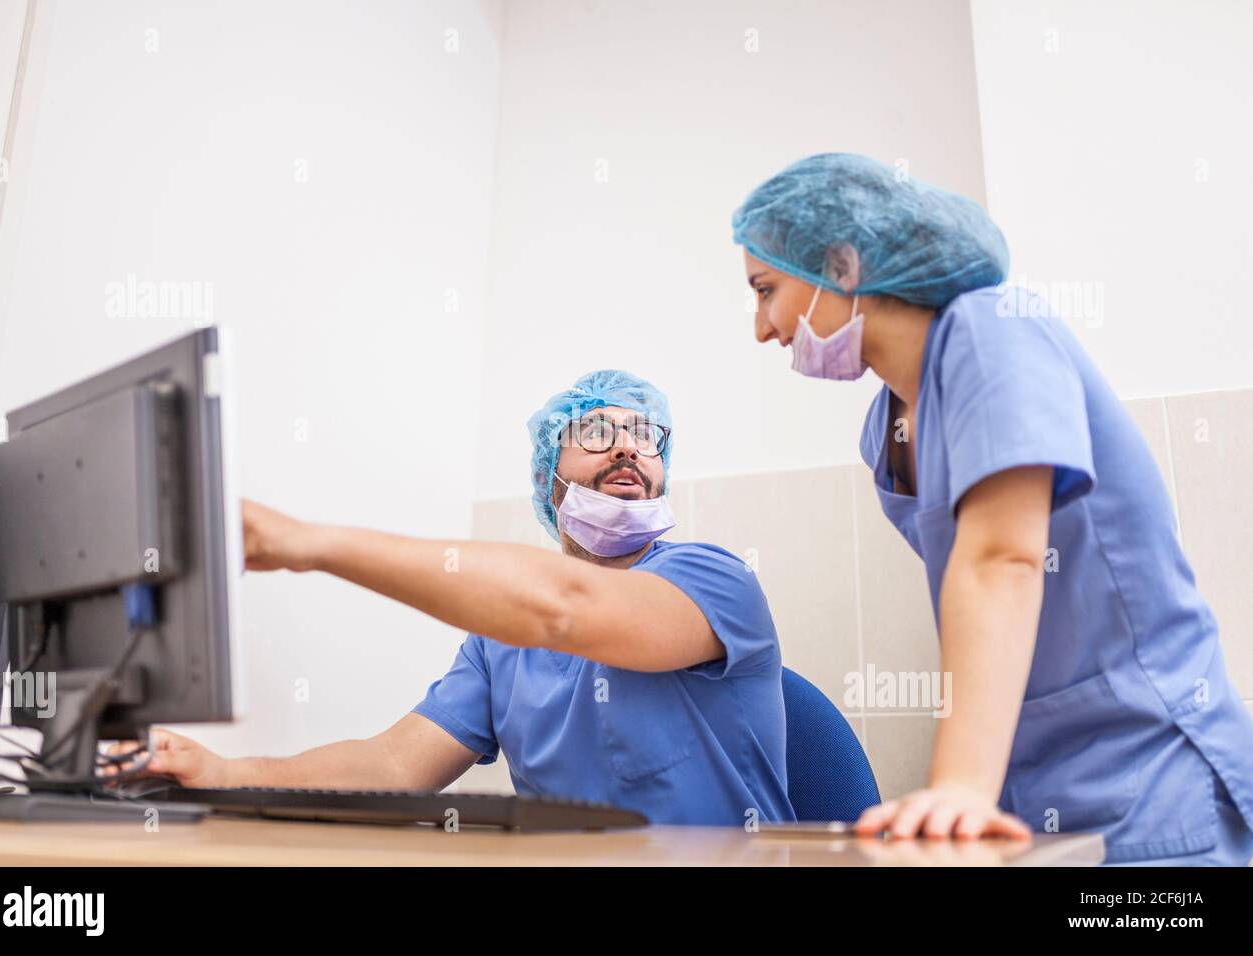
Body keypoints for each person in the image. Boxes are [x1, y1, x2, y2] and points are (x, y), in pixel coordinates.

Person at [732, 152, 1253, 864]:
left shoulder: (991, 330)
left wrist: (960, 788)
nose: (762, 327)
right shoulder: (887, 427)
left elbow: (1002, 559)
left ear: (841, 264)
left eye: (766, 290)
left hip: (1149, 770)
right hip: (1036, 781)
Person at [114, 370, 793, 827]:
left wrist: (307, 544)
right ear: (545, 478)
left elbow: (565, 607)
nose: (626, 450)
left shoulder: (713, 581)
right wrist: (223, 772)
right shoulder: (499, 646)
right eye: (594, 433)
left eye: (645, 437)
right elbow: (395, 764)